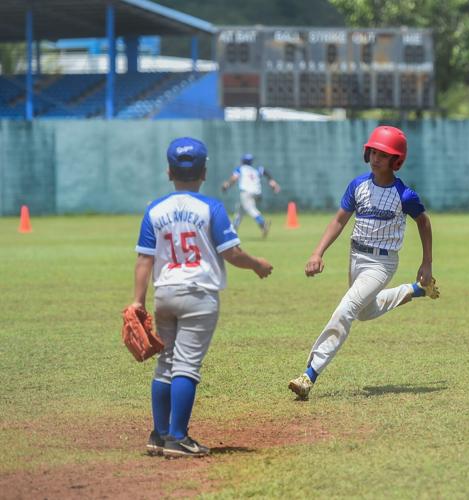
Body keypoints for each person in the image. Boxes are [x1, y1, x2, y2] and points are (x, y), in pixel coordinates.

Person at [128, 137, 273, 458]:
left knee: (165, 365)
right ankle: (178, 437)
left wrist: (138, 301)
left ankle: (159, 434)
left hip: (164, 293)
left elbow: (144, 259)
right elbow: (232, 253)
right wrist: (257, 265)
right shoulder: (212, 208)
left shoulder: (155, 209)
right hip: (199, 294)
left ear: (169, 171)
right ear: (204, 171)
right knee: (187, 365)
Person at [288, 125, 440, 401]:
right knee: (364, 312)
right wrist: (317, 253)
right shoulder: (358, 185)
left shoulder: (404, 195)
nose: (376, 157)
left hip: (382, 263)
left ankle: (309, 375)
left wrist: (426, 262)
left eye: (383, 154)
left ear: (397, 160)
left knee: (346, 309)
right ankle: (416, 290)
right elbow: (339, 220)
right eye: (373, 151)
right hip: (356, 256)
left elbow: (424, 222)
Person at [221, 153, 281, 238]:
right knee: (240, 210)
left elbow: (234, 178)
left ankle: (262, 223)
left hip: (246, 192)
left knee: (250, 208)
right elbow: (264, 171)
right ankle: (233, 230)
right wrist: (272, 182)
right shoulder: (255, 170)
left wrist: (227, 185)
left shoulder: (240, 169)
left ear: (242, 161)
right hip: (257, 193)